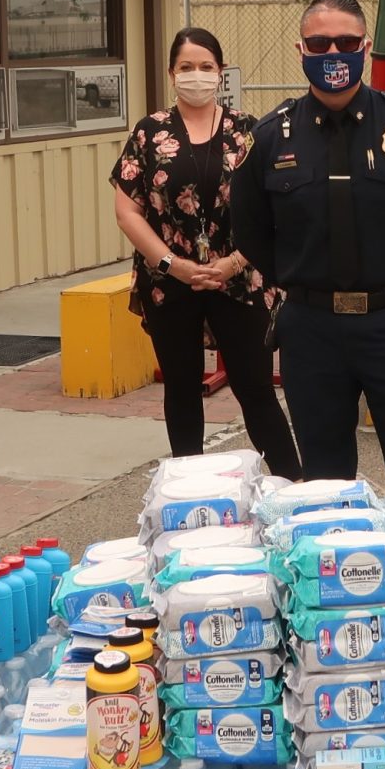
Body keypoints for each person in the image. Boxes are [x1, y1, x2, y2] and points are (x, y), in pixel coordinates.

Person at [230, 0, 385, 497]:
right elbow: (250, 230)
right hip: (311, 332)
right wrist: (299, 278)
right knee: (325, 488)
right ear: (300, 50)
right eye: (319, 44)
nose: (333, 54)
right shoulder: (271, 138)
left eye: (346, 43)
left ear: (365, 47)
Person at [110, 27, 303, 479]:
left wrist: (235, 262)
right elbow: (127, 210)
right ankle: (191, 490)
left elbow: (277, 206)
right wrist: (173, 264)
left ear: (220, 72)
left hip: (239, 276)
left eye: (205, 67)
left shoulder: (249, 131)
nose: (195, 76)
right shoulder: (149, 132)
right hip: (169, 279)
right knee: (181, 389)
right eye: (186, 67)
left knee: (256, 390)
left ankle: (293, 484)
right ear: (171, 73)